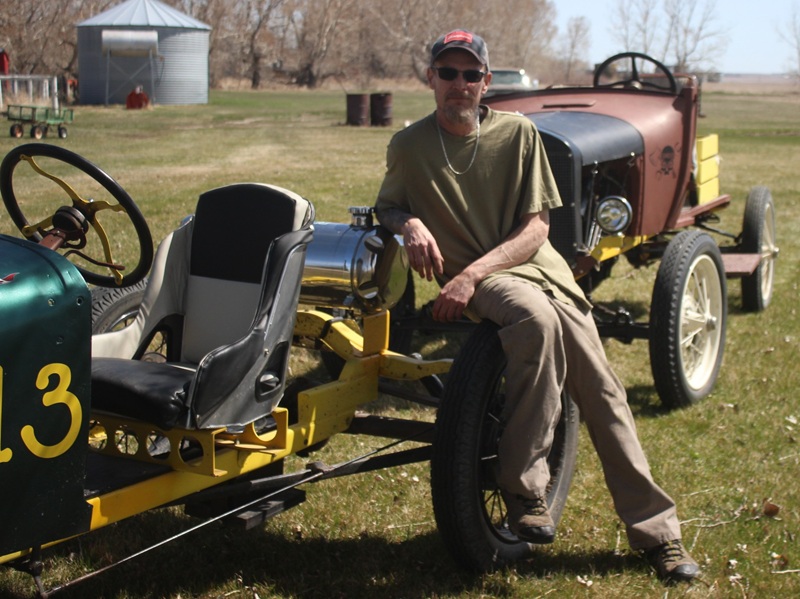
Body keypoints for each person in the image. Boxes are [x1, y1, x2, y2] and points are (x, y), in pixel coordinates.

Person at [374, 29, 700, 584]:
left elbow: (537, 229)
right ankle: (525, 489)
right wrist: (410, 224)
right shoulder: (409, 146)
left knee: (604, 392)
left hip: (534, 270)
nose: (459, 84)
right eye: (448, 73)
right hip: (488, 283)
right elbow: (386, 206)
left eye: (470, 74)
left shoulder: (518, 133)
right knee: (534, 319)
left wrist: (470, 274)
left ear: (486, 82)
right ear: (430, 78)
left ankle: (658, 534)